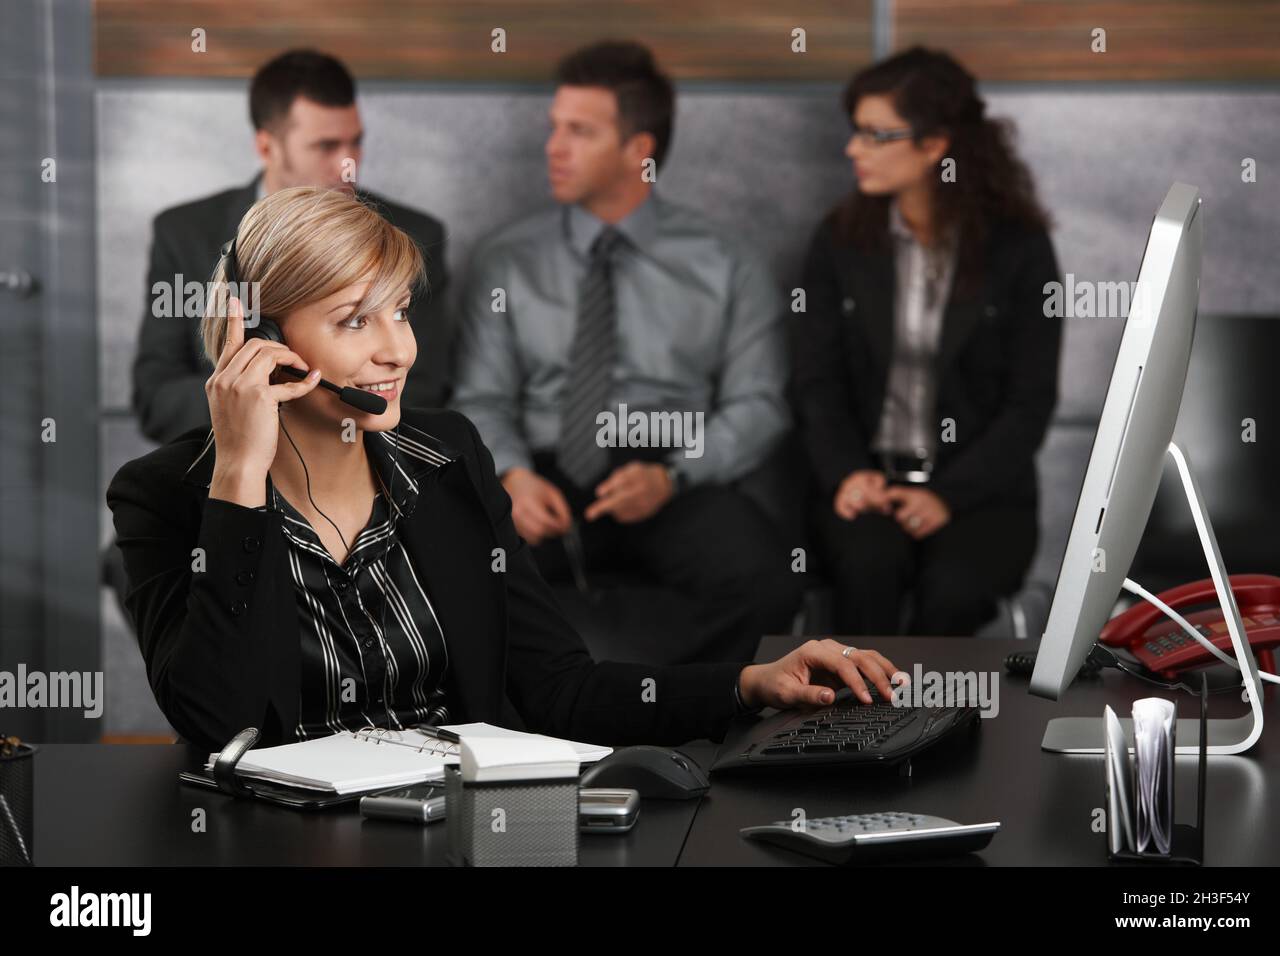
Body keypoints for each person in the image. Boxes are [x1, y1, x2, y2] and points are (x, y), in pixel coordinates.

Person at [107, 186, 901, 753]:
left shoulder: (447, 457)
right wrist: (240, 477)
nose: (397, 350)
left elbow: (557, 687)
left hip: (453, 833)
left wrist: (748, 684)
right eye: (354, 321)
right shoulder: (164, 496)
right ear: (262, 337)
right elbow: (218, 723)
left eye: (400, 310)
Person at [452, 41, 801, 664]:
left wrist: (675, 475)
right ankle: (600, 676)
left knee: (767, 581)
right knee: (463, 576)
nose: (553, 147)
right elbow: (482, 398)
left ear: (639, 149)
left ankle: (625, 677)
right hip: (543, 473)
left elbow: (759, 405)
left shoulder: (726, 262)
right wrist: (513, 476)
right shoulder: (506, 260)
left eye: (579, 132)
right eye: (554, 126)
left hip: (675, 472)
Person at [793, 47, 1063, 636]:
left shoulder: (1019, 248)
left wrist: (949, 494)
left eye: (874, 135)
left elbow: (1030, 401)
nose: (852, 149)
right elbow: (816, 381)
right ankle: (861, 703)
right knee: (867, 570)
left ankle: (931, 706)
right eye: (854, 131)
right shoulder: (840, 240)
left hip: (983, 493)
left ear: (935, 144)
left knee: (953, 594)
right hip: (866, 482)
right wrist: (848, 473)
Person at [131, 49, 450, 445]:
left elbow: (425, 390)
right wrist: (258, 406)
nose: (348, 164)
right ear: (267, 147)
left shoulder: (413, 234)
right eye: (326, 146)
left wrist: (316, 416)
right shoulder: (185, 232)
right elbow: (157, 399)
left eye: (355, 142)